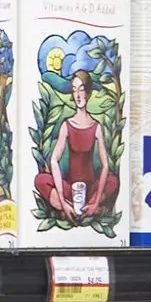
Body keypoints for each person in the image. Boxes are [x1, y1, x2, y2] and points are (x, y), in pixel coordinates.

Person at [35, 68, 118, 225]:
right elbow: (54, 160)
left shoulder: (96, 126)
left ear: (88, 93)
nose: (78, 95)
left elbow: (105, 165)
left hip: (91, 191)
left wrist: (95, 201)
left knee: (113, 181)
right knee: (41, 180)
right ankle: (68, 206)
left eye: (82, 89)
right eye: (74, 90)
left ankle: (91, 207)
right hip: (69, 191)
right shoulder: (67, 125)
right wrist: (62, 198)